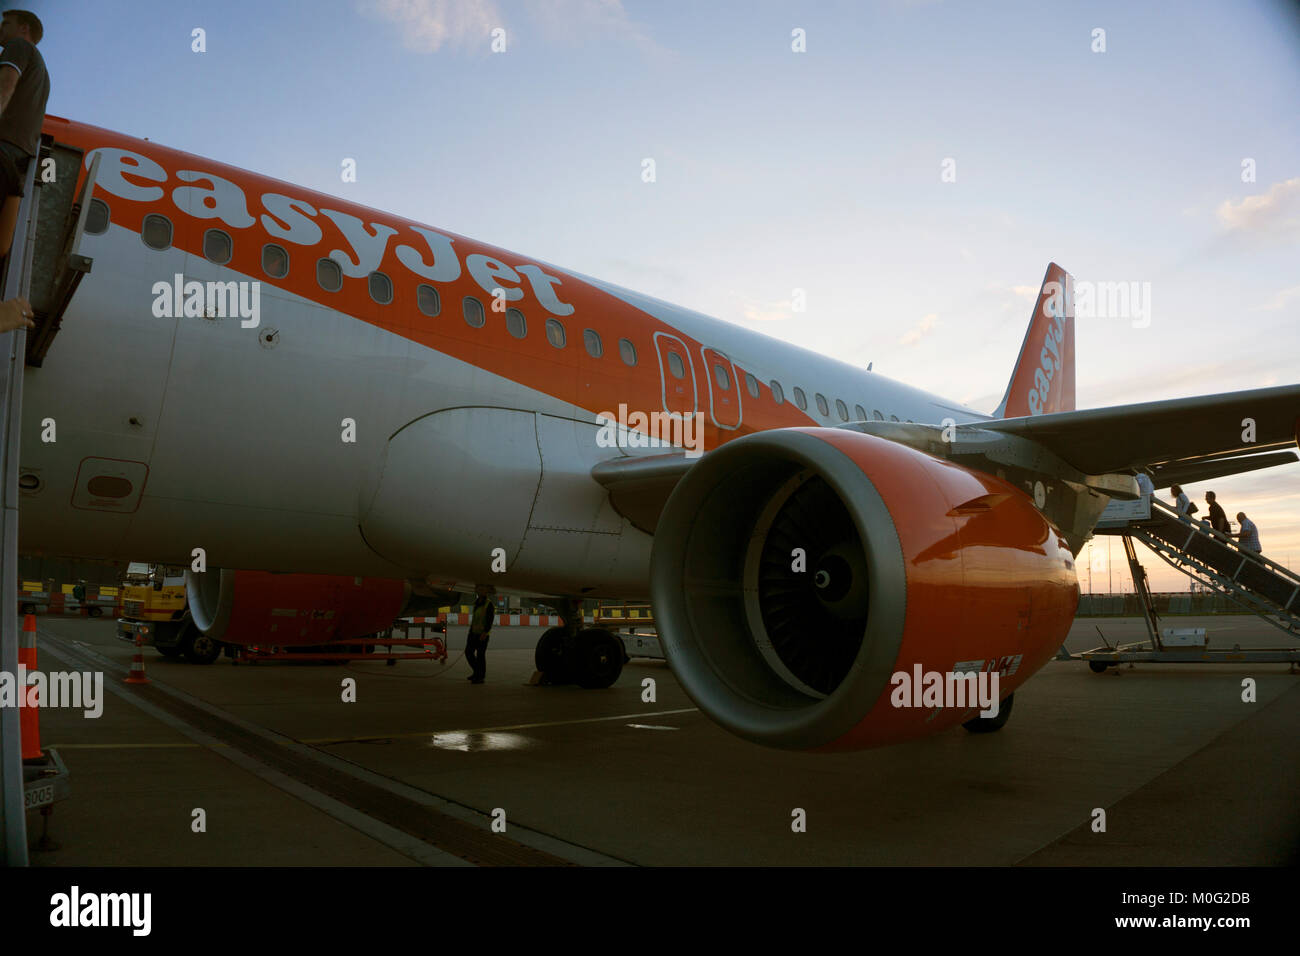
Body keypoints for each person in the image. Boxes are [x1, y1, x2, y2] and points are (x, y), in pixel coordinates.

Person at [0, 9, 48, 259]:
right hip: (18, 158)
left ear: (23, 28)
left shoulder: (18, 46)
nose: (1, 29)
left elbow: (6, 84)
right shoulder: (43, 72)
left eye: (5, 24)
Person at [465, 588, 495, 684]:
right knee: (468, 652)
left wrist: (485, 632)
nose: (478, 592)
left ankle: (480, 676)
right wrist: (470, 632)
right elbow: (474, 619)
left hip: (483, 635)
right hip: (473, 633)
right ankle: (477, 672)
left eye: (481, 591)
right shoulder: (477, 603)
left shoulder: (489, 604)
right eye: (478, 591)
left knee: (480, 656)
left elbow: (490, 620)